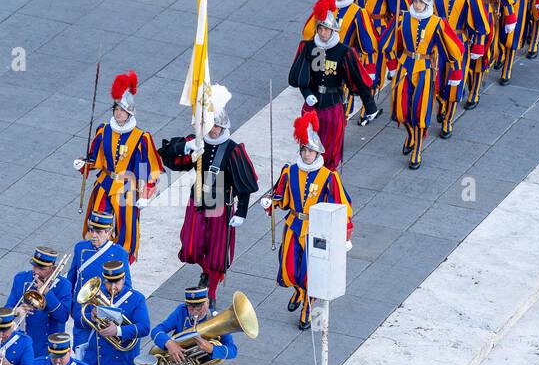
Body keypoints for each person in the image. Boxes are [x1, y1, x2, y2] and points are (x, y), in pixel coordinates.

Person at [155, 87, 259, 305]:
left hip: (220, 202)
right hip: (198, 199)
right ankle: (206, 272)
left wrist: (241, 212)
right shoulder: (198, 141)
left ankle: (210, 291)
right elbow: (169, 155)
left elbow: (245, 185)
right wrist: (187, 146)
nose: (214, 131)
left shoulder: (232, 150)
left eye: (218, 126)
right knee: (191, 245)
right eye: (212, 125)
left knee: (216, 252)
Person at [261, 114, 354, 330]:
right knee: (290, 268)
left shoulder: (329, 177)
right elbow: (280, 196)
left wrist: (345, 232)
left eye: (310, 151)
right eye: (303, 150)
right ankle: (299, 291)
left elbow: (342, 205)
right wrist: (271, 203)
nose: (306, 154)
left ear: (317, 152)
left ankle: (307, 308)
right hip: (293, 225)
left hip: (317, 230)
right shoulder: (289, 170)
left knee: (311, 271)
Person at [382, 0, 467, 167]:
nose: (417, 4)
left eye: (421, 1)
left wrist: (455, 68)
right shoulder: (402, 17)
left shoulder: (437, 22)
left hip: (425, 71)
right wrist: (392, 63)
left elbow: (453, 47)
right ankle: (410, 134)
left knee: (420, 110)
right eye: (415, 0)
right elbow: (388, 42)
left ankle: (418, 149)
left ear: (427, 1)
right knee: (400, 110)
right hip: (405, 66)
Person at [76, 71, 164, 263]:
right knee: (98, 219)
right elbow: (95, 155)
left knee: (127, 226)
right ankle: (96, 249)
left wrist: (146, 194)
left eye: (122, 111)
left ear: (129, 113)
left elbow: (148, 168)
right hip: (105, 182)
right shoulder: (104, 130)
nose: (118, 113)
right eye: (116, 110)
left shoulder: (141, 138)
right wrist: (85, 164)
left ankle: (122, 260)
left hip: (127, 186)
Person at [288, 0, 380, 171]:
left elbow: (359, 81)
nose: (323, 33)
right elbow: (301, 79)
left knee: (330, 150)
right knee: (308, 148)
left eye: (326, 29)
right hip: (312, 108)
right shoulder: (310, 48)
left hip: (333, 106)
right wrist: (307, 95)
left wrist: (370, 106)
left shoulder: (343, 52)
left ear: (333, 30)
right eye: (320, 28)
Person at [435, 0, 491, 122]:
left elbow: (481, 22)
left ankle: (449, 119)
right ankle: (441, 104)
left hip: (459, 42)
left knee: (454, 81)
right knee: (437, 78)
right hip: (437, 41)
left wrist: (479, 45)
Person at [5, 246, 72, 359]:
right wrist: (16, 311)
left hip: (48, 347)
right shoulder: (21, 279)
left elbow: (63, 316)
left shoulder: (63, 285)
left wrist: (47, 293)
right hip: (24, 342)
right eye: (34, 266)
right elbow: (7, 308)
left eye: (41, 268)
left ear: (53, 269)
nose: (36, 271)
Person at [67, 209, 132, 295]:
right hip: (79, 304)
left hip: (102, 304)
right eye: (91, 230)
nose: (94, 235)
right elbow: (71, 278)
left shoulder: (119, 253)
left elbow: (126, 286)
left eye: (98, 232)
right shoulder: (80, 247)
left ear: (108, 233)